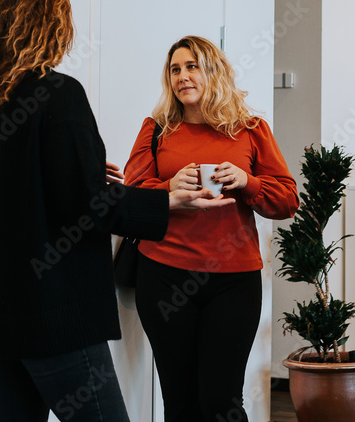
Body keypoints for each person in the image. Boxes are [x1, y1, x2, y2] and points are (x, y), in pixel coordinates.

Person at [0, 0, 232, 422]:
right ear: (55, 27)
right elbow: (86, 206)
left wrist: (80, 178)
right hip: (52, 315)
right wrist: (168, 203)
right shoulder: (60, 94)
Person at [124, 35, 298, 422]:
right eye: (175, 69)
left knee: (221, 403)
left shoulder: (251, 129)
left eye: (192, 66)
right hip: (165, 276)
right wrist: (169, 187)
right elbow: (131, 196)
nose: (182, 76)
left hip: (234, 281)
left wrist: (246, 182)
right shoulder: (156, 129)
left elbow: (287, 199)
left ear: (213, 72)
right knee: (180, 403)